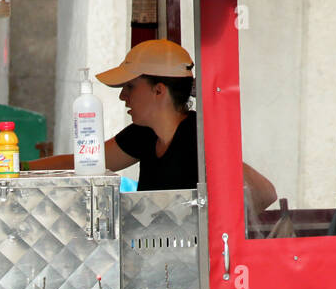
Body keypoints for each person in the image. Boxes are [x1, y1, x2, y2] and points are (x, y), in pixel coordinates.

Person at [95, 38, 277, 212]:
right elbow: (86, 162)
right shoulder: (145, 134)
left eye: (130, 87)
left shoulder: (196, 137)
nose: (122, 96)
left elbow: (264, 193)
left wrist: (206, 227)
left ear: (158, 90)